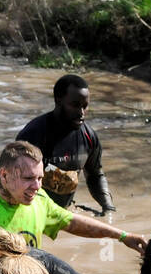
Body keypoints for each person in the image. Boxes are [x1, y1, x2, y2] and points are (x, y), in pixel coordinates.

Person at [0, 141, 147, 253]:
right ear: (4, 175)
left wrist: (122, 236)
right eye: (29, 178)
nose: (37, 186)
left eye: (40, 178)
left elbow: (72, 222)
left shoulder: (39, 199)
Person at [15, 74, 116, 216]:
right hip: (32, 212)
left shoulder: (89, 137)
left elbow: (95, 175)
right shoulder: (34, 135)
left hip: (64, 212)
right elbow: (15, 181)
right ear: (58, 100)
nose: (81, 113)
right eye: (75, 105)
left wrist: (109, 209)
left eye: (85, 106)